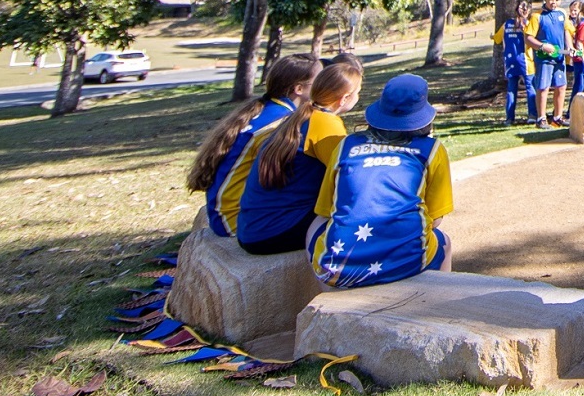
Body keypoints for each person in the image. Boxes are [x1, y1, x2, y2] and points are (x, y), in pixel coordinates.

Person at [311, 73, 454, 287]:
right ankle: (437, 300)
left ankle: (325, 288)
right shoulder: (431, 150)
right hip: (407, 263)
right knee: (445, 242)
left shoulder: (346, 146)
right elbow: (435, 219)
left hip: (340, 264)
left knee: (315, 227)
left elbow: (325, 210)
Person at [231, 61, 364, 255]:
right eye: (358, 92)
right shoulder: (326, 124)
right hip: (275, 231)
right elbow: (349, 175)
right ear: (344, 99)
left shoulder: (301, 116)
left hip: (252, 228)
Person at [188, 55, 319, 237]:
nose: (325, 83)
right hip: (236, 220)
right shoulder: (281, 122)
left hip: (224, 213)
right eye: (320, 79)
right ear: (299, 89)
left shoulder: (268, 110)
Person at [530, 0, 570, 129]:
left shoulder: (562, 13)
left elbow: (566, 31)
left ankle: (557, 117)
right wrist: (542, 46)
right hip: (544, 59)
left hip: (559, 58)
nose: (554, 2)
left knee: (561, 86)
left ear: (561, 0)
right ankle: (541, 118)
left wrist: (569, 47)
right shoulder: (537, 16)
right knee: (543, 87)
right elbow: (528, 38)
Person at [497, 0, 537, 126]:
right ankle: (532, 115)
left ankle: (509, 118)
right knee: (530, 87)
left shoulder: (506, 24)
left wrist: (492, 36)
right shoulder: (528, 24)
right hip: (525, 60)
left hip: (509, 61)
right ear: (528, 10)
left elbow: (497, 39)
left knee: (511, 89)